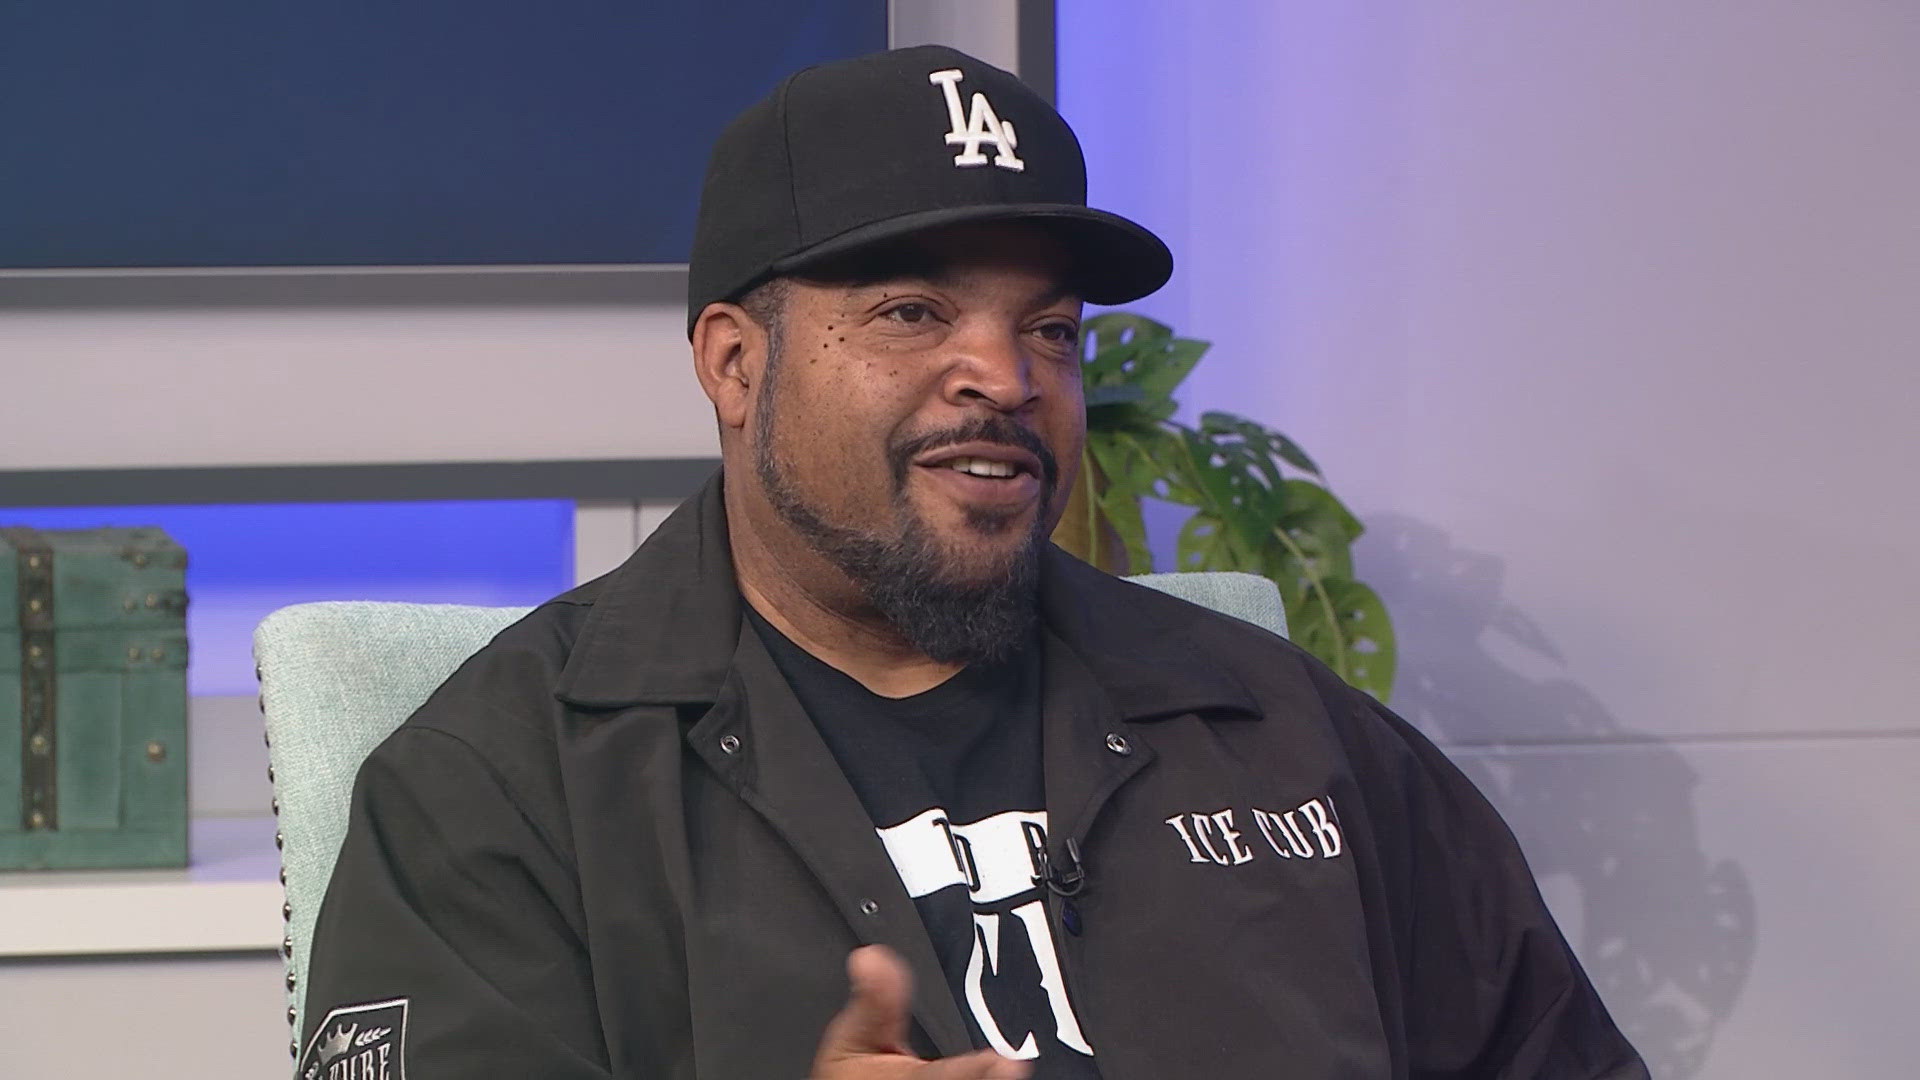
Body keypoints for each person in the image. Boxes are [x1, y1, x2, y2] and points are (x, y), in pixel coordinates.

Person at [297, 45, 1648, 1080]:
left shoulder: (1286, 732)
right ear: (734, 363)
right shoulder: (501, 789)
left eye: (1050, 330)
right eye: (912, 312)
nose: (1005, 376)